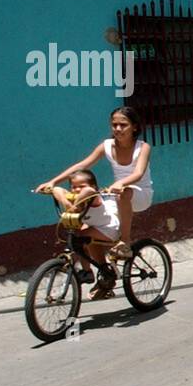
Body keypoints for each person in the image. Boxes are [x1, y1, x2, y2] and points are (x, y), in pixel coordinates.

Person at [38, 106, 153, 262]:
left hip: (140, 194)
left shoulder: (143, 147)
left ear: (135, 127)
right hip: (115, 196)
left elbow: (138, 174)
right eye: (114, 125)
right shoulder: (107, 146)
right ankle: (103, 274)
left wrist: (120, 183)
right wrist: (53, 182)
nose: (118, 129)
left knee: (124, 193)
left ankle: (125, 242)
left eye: (123, 125)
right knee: (89, 227)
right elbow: (82, 165)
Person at [45, 170, 120, 300]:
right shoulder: (73, 199)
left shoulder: (94, 197)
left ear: (94, 187)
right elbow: (57, 189)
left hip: (109, 229)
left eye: (81, 186)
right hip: (93, 228)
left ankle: (89, 272)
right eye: (74, 187)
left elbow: (89, 191)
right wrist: (67, 202)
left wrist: (76, 204)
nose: (77, 190)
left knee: (79, 237)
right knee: (78, 240)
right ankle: (88, 272)